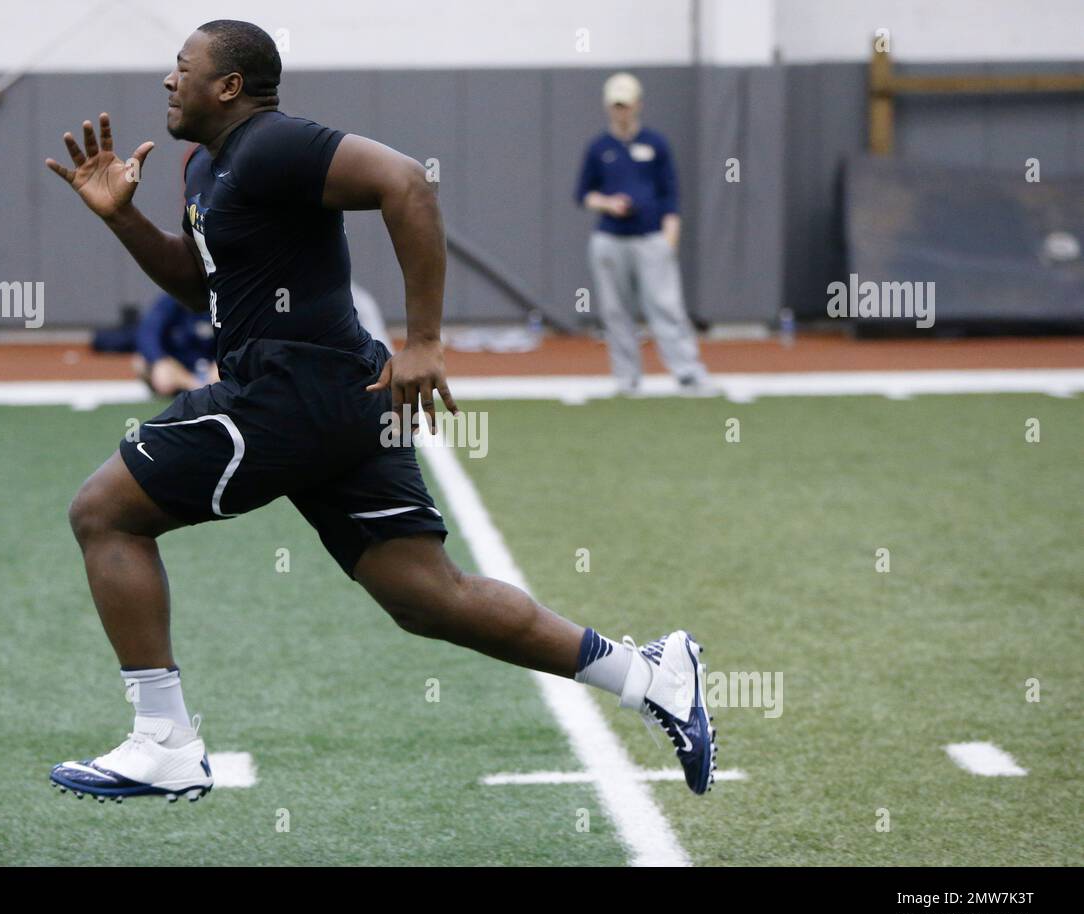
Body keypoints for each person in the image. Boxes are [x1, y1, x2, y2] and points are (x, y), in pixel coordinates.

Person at [42, 20, 716, 803]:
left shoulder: (272, 143)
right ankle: (652, 676)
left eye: (181, 67)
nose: (168, 80)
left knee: (104, 514)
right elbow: (205, 288)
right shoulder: (204, 167)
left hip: (289, 392)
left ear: (227, 86)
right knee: (428, 597)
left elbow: (407, 182)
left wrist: (425, 340)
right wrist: (121, 217)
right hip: (343, 398)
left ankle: (164, 740)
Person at [576, 72, 714, 396]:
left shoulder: (656, 144)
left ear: (638, 105)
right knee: (615, 310)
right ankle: (627, 377)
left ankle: (688, 372)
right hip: (610, 240)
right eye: (616, 106)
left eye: (626, 105)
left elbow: (671, 194)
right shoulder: (598, 148)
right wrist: (608, 204)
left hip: (651, 237)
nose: (621, 111)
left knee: (667, 306)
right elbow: (584, 194)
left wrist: (670, 238)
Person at [133, 292, 220, 397]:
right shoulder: (169, 303)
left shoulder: (216, 300)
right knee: (140, 362)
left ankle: (203, 391)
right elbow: (147, 334)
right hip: (179, 370)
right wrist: (159, 361)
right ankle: (193, 390)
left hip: (211, 368)